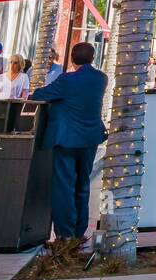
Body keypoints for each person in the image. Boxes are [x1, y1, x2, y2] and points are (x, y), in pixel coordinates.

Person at [31, 42, 109, 244]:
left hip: (66, 138)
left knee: (64, 185)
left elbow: (40, 95)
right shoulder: (101, 78)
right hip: (90, 139)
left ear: (72, 59)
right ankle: (78, 231)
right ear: (93, 58)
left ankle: (65, 233)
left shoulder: (67, 80)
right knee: (82, 183)